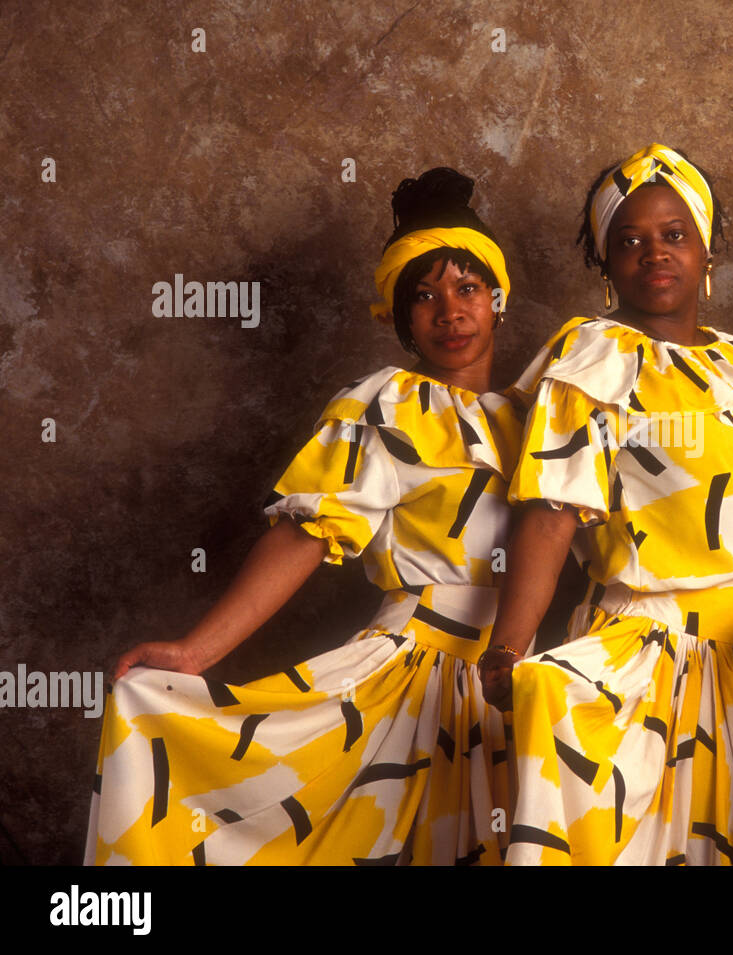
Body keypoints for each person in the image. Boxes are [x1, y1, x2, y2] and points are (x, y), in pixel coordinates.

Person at [85, 168, 521, 865]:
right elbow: (306, 533)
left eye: (467, 287)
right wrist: (196, 652)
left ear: (499, 299)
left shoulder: (543, 415)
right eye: (424, 296)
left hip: (520, 678)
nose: (449, 310)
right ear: (400, 319)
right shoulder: (388, 403)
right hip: (416, 674)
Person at [479, 144, 733, 865]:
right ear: (604, 263)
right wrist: (510, 643)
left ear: (705, 248)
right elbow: (552, 510)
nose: (655, 253)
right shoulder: (592, 356)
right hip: (647, 651)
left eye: (674, 235)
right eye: (629, 241)